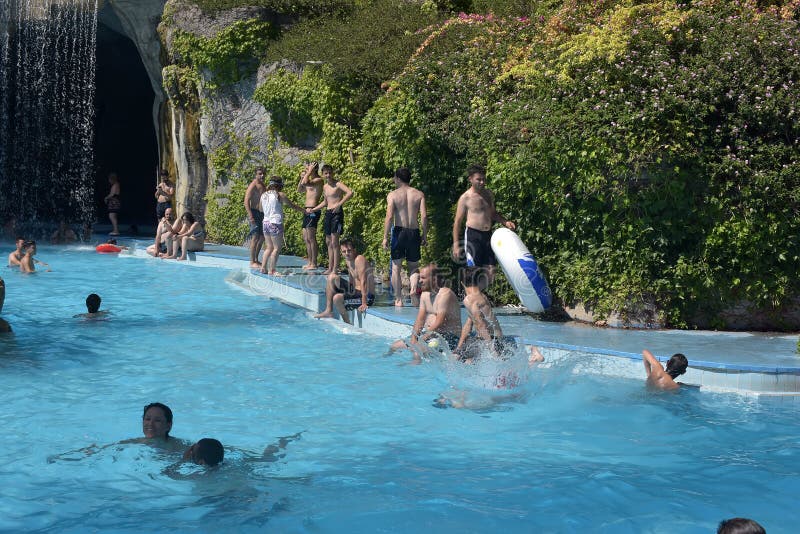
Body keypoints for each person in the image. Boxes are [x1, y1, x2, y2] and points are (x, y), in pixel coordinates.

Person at [452, 165, 515, 289]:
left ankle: (473, 296)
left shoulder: (489, 194)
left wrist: (505, 222)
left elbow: (493, 214)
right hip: (472, 236)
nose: (482, 182)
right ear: (470, 179)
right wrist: (455, 245)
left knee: (491, 273)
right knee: (473, 272)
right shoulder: (465, 198)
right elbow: (457, 222)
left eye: (484, 179)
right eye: (478, 179)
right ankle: (471, 297)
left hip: (488, 236)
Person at [390, 263, 461, 357]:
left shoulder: (445, 294)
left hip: (449, 337)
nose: (419, 281)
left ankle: (413, 368)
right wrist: (414, 338)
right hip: (430, 335)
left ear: (434, 279)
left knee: (417, 353)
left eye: (423, 278)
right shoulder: (425, 295)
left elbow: (440, 322)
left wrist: (422, 339)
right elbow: (420, 320)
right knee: (394, 346)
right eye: (419, 278)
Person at [382, 168, 428, 307]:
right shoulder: (419, 194)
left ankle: (398, 299)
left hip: (399, 232)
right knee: (413, 266)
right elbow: (424, 216)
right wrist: (424, 235)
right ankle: (413, 289)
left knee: (396, 267)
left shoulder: (393, 195)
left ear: (398, 178)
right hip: (414, 232)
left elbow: (389, 216)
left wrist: (385, 237)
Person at [314, 239, 375, 324]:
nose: (346, 253)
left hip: (367, 296)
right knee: (331, 277)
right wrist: (347, 292)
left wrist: (364, 302)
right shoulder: (348, 260)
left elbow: (363, 281)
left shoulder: (359, 259)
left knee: (337, 298)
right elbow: (351, 279)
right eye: (344, 251)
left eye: (349, 250)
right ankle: (328, 310)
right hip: (355, 291)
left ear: (354, 250)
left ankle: (348, 324)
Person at [456, 266, 511, 359]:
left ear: (462, 283)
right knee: (463, 357)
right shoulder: (480, 296)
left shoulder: (469, 299)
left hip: (491, 341)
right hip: (495, 339)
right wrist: (458, 348)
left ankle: (535, 358)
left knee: (463, 361)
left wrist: (492, 350)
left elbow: (481, 325)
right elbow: (468, 325)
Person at [308, 165, 353, 274]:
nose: (328, 175)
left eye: (330, 173)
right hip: (328, 213)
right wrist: (314, 209)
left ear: (333, 173)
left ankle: (335, 268)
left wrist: (339, 204)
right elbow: (325, 202)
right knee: (328, 242)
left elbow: (350, 192)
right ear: (323, 174)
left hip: (337, 214)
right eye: (326, 173)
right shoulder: (325, 187)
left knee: (334, 242)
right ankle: (330, 267)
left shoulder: (338, 184)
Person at [259, 176, 304, 275]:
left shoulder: (264, 195)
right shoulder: (280, 195)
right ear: (279, 185)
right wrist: (304, 211)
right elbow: (292, 206)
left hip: (265, 223)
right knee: (276, 248)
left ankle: (263, 268)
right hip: (275, 223)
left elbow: (261, 210)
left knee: (269, 247)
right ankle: (272, 270)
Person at [297, 162, 324, 269]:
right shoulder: (308, 180)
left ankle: (314, 263)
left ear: (313, 169)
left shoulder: (318, 180)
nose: (306, 169)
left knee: (311, 238)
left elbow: (306, 183)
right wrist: (302, 178)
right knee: (306, 237)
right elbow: (300, 189)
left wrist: (307, 173)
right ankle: (310, 261)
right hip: (306, 211)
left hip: (313, 210)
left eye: (308, 168)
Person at [244, 167, 266, 269]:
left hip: (262, 214)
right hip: (254, 213)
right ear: (256, 175)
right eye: (260, 174)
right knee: (255, 238)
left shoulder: (263, 185)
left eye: (263, 174)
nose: (262, 176)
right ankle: (252, 261)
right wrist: (250, 215)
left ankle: (256, 259)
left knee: (262, 237)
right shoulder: (253, 185)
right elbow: (246, 201)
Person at [104, 172, 121, 236]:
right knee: (113, 216)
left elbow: (112, 194)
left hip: (114, 202)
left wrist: (106, 198)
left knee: (112, 216)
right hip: (114, 202)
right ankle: (115, 230)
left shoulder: (115, 185)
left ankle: (116, 230)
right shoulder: (116, 184)